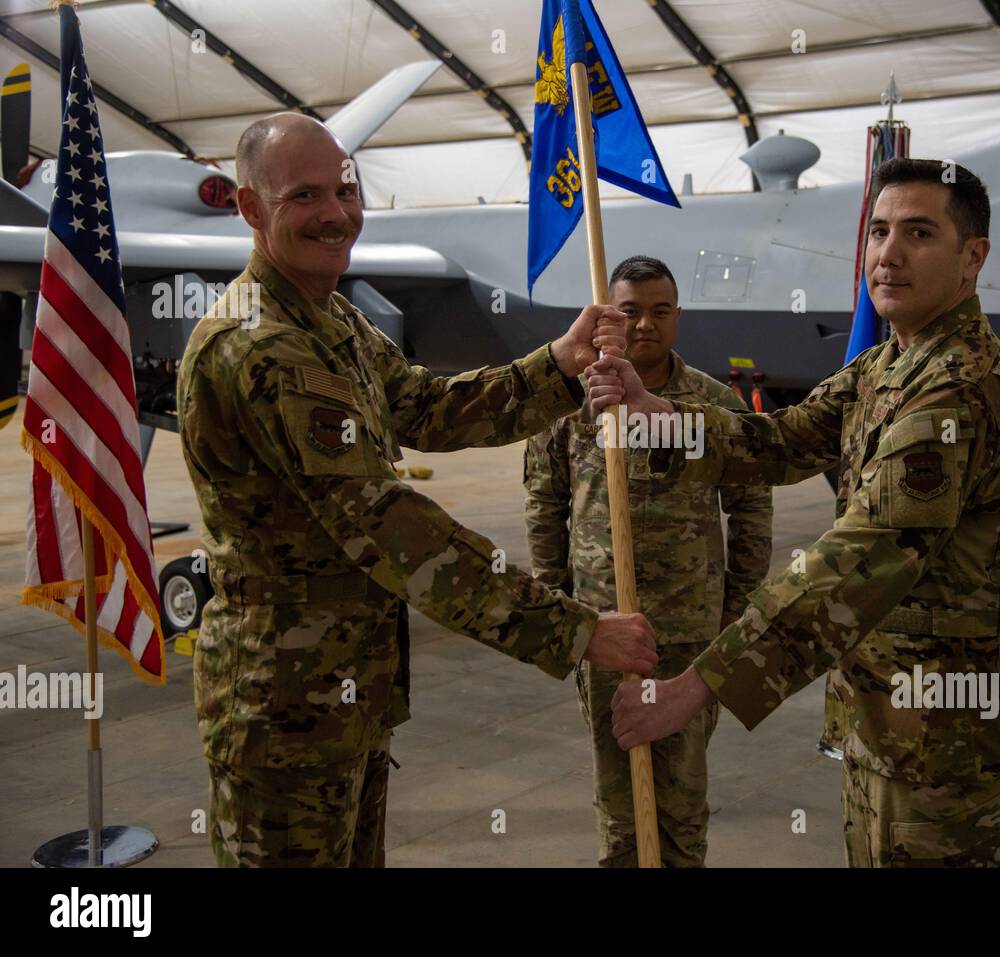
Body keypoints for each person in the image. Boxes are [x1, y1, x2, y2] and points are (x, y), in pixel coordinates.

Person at [176, 113, 657, 867]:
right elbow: (390, 527)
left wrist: (559, 363)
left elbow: (427, 408)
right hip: (282, 712)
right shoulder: (259, 345)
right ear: (249, 209)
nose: (336, 214)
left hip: (345, 697)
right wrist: (574, 628)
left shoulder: (332, 320)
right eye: (305, 196)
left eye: (344, 189)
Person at [592, 158, 1000, 867]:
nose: (888, 254)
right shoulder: (889, 365)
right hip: (885, 728)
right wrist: (659, 414)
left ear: (972, 257)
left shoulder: (960, 386)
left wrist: (698, 682)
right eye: (879, 230)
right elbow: (779, 440)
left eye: (919, 233)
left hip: (943, 747)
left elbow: (859, 558)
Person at [523, 255, 772, 866]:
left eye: (660, 311)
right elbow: (543, 508)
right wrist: (565, 619)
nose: (644, 326)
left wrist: (733, 617)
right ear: (609, 315)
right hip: (604, 634)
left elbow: (752, 511)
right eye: (629, 311)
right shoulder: (571, 407)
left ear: (678, 317)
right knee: (619, 809)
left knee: (682, 810)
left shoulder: (712, 406)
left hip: (690, 638)